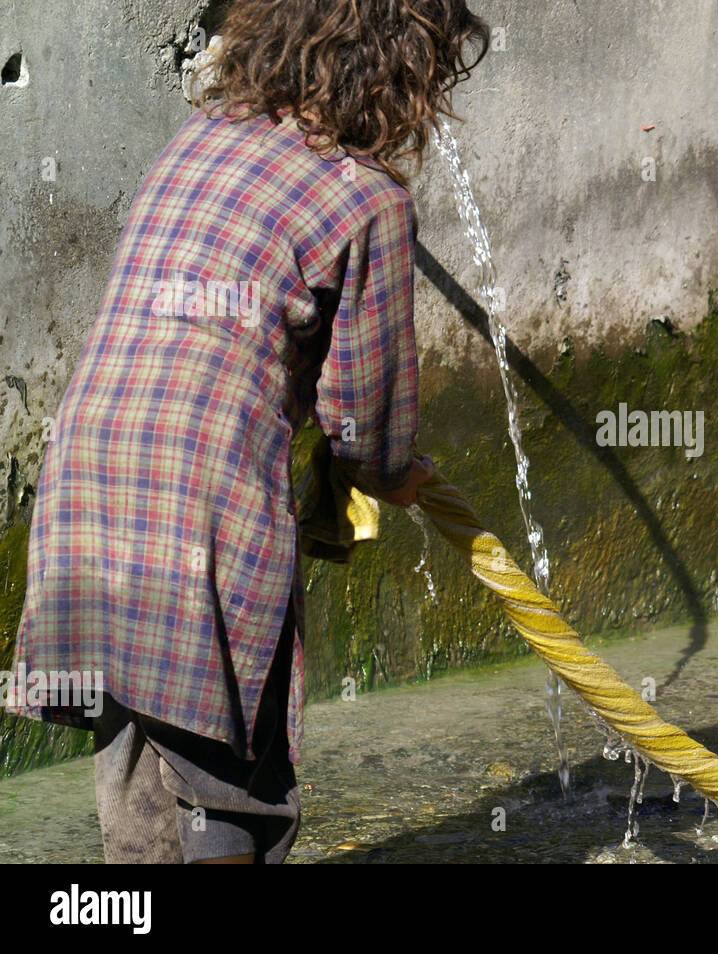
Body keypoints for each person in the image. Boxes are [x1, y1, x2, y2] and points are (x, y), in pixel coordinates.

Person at [4, 0, 489, 863]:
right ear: (405, 71)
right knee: (234, 784)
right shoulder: (369, 199)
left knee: (137, 767)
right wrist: (388, 474)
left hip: (85, 469)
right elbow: (366, 422)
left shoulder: (203, 136)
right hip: (204, 495)